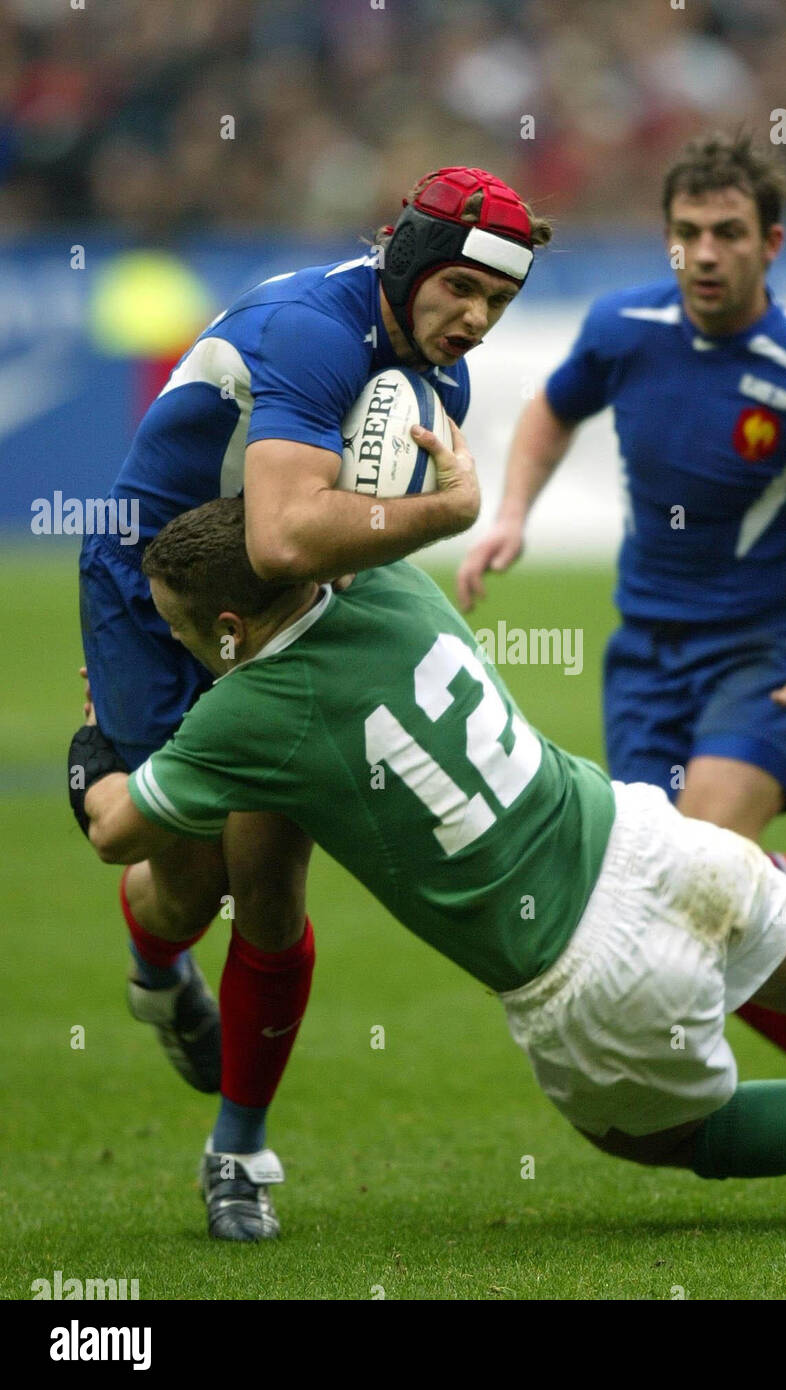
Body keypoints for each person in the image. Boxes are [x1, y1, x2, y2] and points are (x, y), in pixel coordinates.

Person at [74, 497, 786, 1238]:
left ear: (233, 631)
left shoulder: (243, 717)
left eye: (181, 627)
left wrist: (93, 742)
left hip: (584, 971)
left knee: (670, 1135)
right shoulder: (389, 580)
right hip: (655, 841)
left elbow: (119, 832)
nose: (174, 641)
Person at [77, 166, 551, 1239]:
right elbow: (282, 533)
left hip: (279, 610)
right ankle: (157, 969)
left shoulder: (435, 376)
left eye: (498, 303)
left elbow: (304, 560)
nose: (474, 320)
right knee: (181, 886)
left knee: (273, 883)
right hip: (160, 595)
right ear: (409, 259)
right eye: (461, 289)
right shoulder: (311, 333)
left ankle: (238, 1152)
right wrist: (449, 512)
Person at [457, 131, 786, 1105]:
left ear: (774, 243)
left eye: (728, 233)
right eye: (686, 233)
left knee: (705, 885)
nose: (706, 254)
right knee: (682, 900)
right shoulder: (623, 327)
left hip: (763, 657)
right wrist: (512, 511)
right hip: (643, 658)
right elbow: (552, 410)